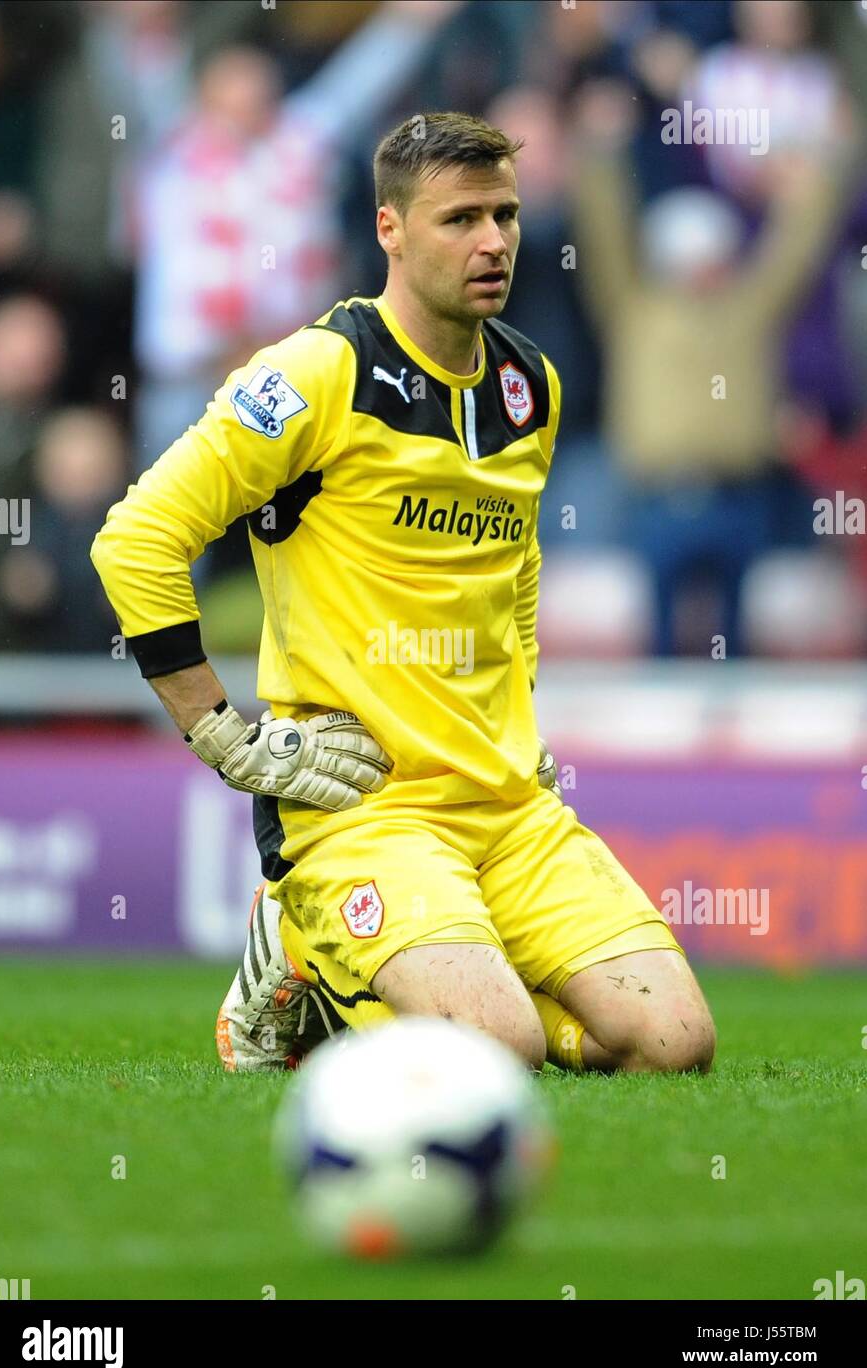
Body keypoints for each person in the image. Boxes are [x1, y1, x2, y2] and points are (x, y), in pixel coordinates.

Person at [91, 111, 716, 1078]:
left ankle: (454, 977)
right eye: (459, 218)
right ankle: (298, 948)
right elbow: (136, 539)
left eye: (504, 215)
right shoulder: (316, 373)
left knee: (672, 1044)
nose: (493, 241)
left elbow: (514, 572)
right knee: (491, 1051)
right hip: (361, 804)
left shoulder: (528, 385)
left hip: (507, 802)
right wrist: (224, 734)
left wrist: (521, 721)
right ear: (389, 229)